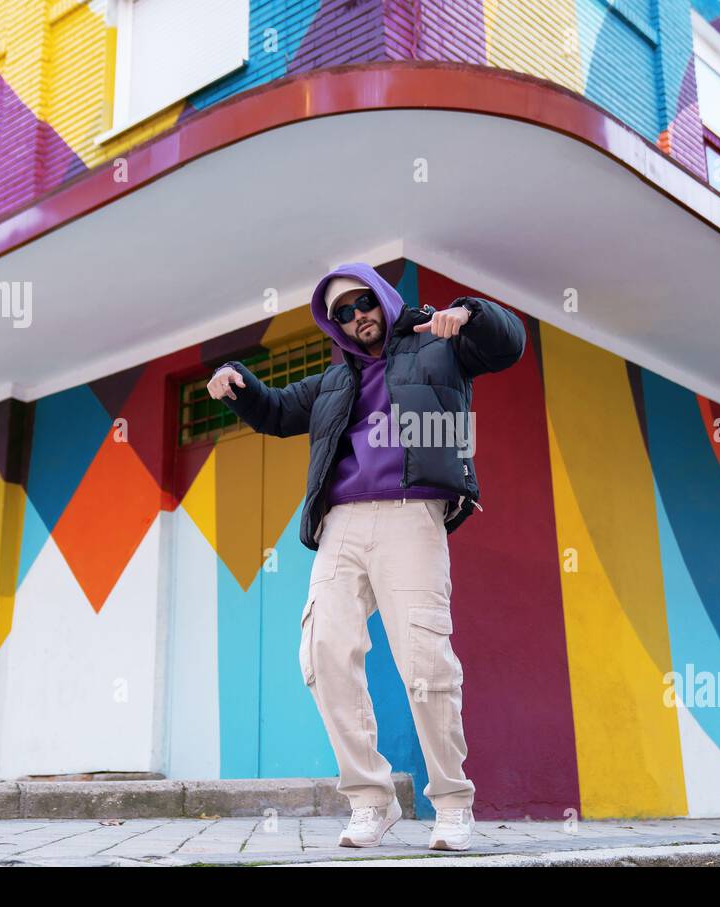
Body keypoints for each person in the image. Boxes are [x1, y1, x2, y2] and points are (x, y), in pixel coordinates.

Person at [206, 262, 525, 850]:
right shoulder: (333, 381)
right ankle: (370, 801)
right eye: (343, 314)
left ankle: (453, 802)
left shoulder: (436, 342)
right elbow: (275, 412)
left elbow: (507, 346)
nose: (358, 318)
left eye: (363, 304)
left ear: (382, 298)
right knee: (323, 653)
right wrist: (237, 381)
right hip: (341, 525)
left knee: (425, 664)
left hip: (412, 514)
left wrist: (470, 313)